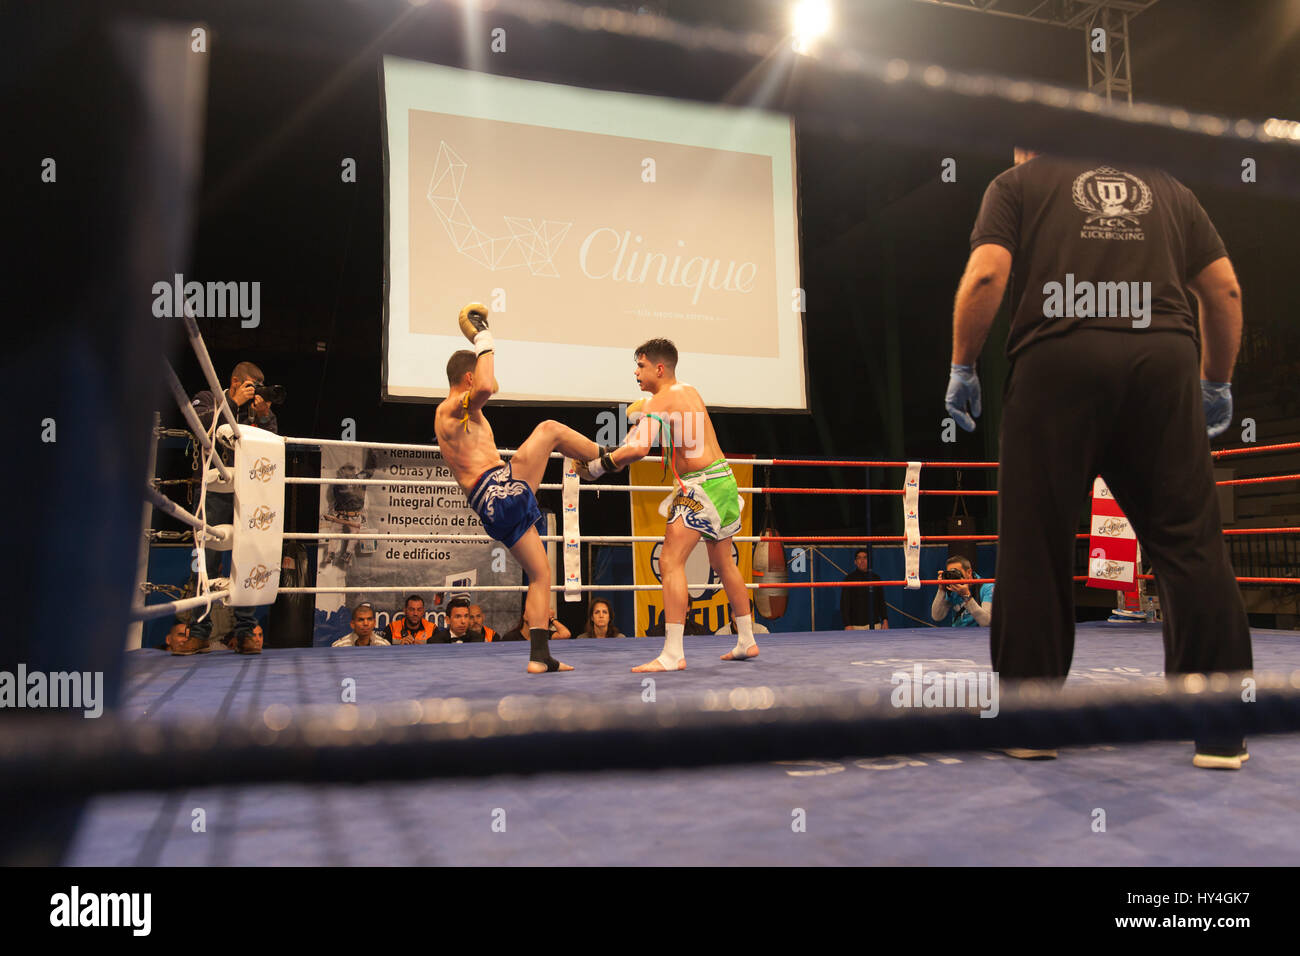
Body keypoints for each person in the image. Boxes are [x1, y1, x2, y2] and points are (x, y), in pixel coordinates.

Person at [947, 148, 1254, 768]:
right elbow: (1224, 288)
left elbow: (985, 277)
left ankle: (1032, 725)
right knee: (1189, 542)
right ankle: (1220, 729)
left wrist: (963, 364)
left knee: (1036, 545)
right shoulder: (1168, 184)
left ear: (1030, 144)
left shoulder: (1017, 182)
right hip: (1161, 364)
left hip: (1057, 363)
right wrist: (1216, 379)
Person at [433, 304, 602, 673]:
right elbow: (487, 385)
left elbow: (487, 386)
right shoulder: (451, 409)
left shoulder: (460, 416)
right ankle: (605, 459)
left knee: (541, 576)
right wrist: (483, 337)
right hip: (497, 489)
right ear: (467, 377)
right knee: (549, 429)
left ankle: (539, 656)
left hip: (494, 499)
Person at [575, 339, 758, 671]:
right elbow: (647, 434)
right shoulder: (687, 391)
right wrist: (638, 416)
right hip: (724, 481)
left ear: (659, 368)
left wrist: (599, 466)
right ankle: (746, 639)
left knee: (671, 561)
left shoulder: (661, 402)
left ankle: (673, 654)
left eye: (641, 366)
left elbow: (638, 449)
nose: (635, 371)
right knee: (724, 563)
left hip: (701, 487)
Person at [186, 361, 278, 653]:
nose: (253, 394)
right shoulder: (210, 397)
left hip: (250, 494)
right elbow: (198, 424)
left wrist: (264, 417)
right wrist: (231, 404)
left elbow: (271, 445)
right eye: (250, 387)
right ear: (236, 383)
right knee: (207, 562)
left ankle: (245, 633)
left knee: (249, 561)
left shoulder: (257, 412)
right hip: (213, 492)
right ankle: (199, 632)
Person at [930, 555, 993, 627]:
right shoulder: (952, 587)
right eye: (951, 573)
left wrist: (966, 596)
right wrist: (941, 589)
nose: (954, 576)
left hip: (979, 636)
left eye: (956, 572)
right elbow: (937, 616)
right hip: (958, 636)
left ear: (969, 572)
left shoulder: (987, 588)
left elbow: (987, 622)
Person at [842, 548, 889, 630]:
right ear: (855, 562)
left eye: (865, 558)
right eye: (859, 558)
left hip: (875, 624)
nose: (862, 560)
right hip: (855, 626)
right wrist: (847, 624)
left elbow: (881, 601)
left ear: (869, 561)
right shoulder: (849, 579)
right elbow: (845, 603)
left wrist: (885, 620)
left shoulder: (876, 578)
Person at [499, 611, 570, 643]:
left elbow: (565, 634)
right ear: (524, 616)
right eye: (528, 611)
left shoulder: (544, 635)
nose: (531, 614)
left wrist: (551, 618)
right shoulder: (510, 637)